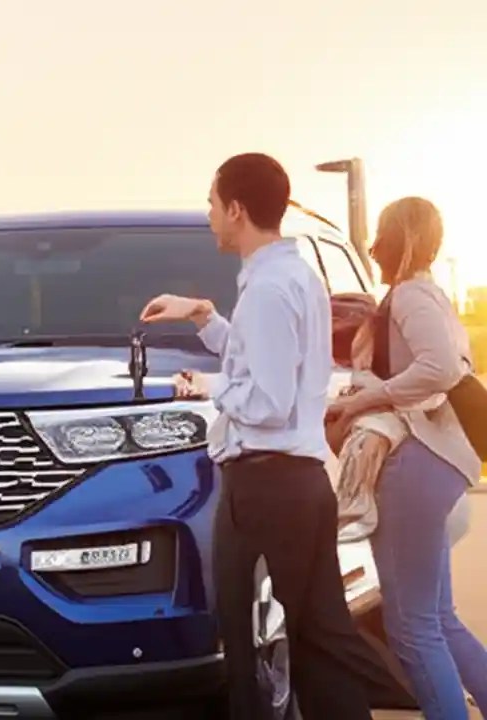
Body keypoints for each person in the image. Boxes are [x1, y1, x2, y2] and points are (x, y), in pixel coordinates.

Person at [140, 152, 393, 719]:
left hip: (267, 484)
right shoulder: (293, 276)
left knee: (250, 635)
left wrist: (206, 387)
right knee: (318, 634)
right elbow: (268, 362)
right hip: (291, 484)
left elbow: (269, 401)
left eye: (212, 203)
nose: (209, 215)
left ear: (236, 209)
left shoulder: (269, 290)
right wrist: (205, 316)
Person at [326, 196, 487, 718]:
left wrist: (369, 396)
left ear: (402, 238)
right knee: (439, 617)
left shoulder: (412, 296)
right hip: (441, 463)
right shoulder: (430, 295)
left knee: (413, 627)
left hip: (415, 464)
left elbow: (438, 369)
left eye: (381, 234)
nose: (373, 246)